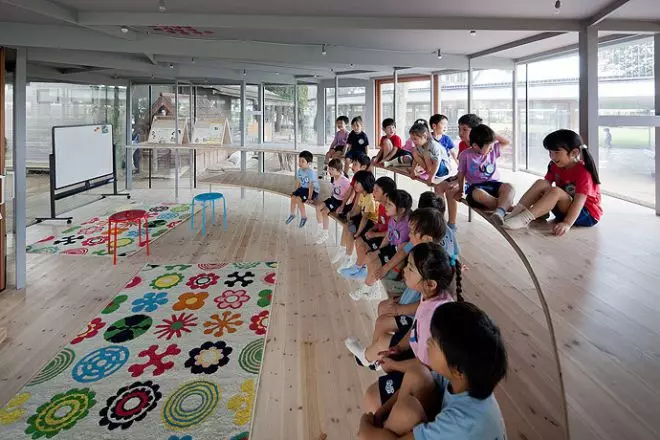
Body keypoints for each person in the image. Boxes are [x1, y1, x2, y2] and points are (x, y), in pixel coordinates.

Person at [358, 301, 508, 440]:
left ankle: (385, 429)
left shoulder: (462, 423)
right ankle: (386, 426)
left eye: (435, 341)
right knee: (418, 373)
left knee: (407, 412)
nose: (428, 341)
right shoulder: (463, 380)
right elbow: (416, 376)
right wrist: (381, 412)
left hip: (455, 429)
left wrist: (365, 429)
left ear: (458, 370)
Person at [357, 244, 458, 428]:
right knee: (386, 354)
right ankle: (371, 359)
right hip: (420, 366)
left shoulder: (434, 318)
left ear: (430, 283)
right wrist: (400, 347)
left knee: (372, 397)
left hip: (429, 381)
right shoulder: (431, 296)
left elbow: (425, 368)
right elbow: (415, 330)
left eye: (410, 267)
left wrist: (395, 364)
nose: (404, 270)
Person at [503, 129, 602, 235]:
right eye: (550, 152)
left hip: (585, 214)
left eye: (556, 152)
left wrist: (567, 223)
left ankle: (524, 219)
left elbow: (579, 202)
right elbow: (542, 187)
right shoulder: (554, 165)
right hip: (564, 208)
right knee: (542, 183)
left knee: (556, 191)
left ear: (574, 153)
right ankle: (516, 213)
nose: (552, 156)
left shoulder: (583, 172)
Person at [348, 207, 446, 301]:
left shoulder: (430, 262)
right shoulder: (412, 244)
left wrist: (399, 307)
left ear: (427, 239)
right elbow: (402, 252)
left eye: (412, 232)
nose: (408, 235)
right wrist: (384, 269)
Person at [448, 124, 514, 225]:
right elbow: (461, 175)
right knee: (478, 193)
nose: (491, 149)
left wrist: (490, 134)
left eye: (492, 146)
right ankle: (507, 207)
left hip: (494, 185)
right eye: (488, 147)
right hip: (476, 188)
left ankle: (499, 212)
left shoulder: (493, 151)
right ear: (475, 145)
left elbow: (506, 142)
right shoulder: (465, 155)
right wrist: (461, 190)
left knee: (509, 187)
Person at [341, 189, 412, 281]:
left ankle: (370, 287)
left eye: (389, 204)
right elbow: (388, 237)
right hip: (392, 248)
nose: (385, 206)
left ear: (401, 210)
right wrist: (379, 251)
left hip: (400, 255)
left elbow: (404, 250)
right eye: (386, 203)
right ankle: (363, 273)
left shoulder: (407, 226)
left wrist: (385, 262)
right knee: (369, 256)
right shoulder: (393, 219)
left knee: (374, 263)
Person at [347, 176, 397, 276]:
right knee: (359, 241)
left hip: (387, 240)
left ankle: (363, 270)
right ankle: (359, 266)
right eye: (373, 189)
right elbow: (379, 222)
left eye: (376, 190)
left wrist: (374, 234)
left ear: (385, 195)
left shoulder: (391, 211)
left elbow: (390, 233)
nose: (373, 192)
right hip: (378, 234)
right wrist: (372, 229)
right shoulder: (381, 206)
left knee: (368, 252)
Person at [333, 170, 378, 270]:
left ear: (365, 183)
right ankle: (342, 249)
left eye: (358, 182)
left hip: (371, 223)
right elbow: (357, 209)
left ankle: (348, 257)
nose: (355, 185)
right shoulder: (362, 194)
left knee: (351, 231)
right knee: (346, 225)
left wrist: (358, 233)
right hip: (363, 218)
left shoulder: (370, 198)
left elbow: (365, 219)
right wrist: (350, 214)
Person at [314, 158, 351, 244]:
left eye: (332, 169)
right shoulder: (334, 177)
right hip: (333, 199)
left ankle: (325, 233)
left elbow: (351, 191)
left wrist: (346, 203)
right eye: (329, 168)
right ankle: (320, 229)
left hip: (339, 202)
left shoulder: (344, 180)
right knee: (318, 207)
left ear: (338, 170)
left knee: (324, 212)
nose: (329, 170)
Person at [407, 121, 454, 185]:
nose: (413, 141)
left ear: (424, 136)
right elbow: (415, 159)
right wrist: (413, 171)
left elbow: (436, 162)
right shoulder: (418, 145)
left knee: (426, 153)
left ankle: (428, 174)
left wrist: (431, 177)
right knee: (415, 151)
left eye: (415, 139)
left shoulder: (433, 145)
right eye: (412, 139)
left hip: (443, 170)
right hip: (432, 167)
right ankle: (426, 172)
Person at [285, 150, 319, 228]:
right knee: (293, 197)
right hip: (304, 189)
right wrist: (295, 191)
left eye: (302, 161)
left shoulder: (310, 173)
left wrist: (310, 198)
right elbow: (298, 181)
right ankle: (292, 214)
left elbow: (311, 186)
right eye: (299, 160)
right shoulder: (300, 170)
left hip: (312, 191)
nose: (300, 163)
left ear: (308, 163)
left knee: (298, 199)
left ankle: (304, 217)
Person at [335, 153, 372, 223]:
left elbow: (359, 196)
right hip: (354, 204)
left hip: (362, 208)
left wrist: (352, 211)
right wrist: (342, 206)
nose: (352, 167)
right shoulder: (356, 177)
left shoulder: (366, 180)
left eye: (355, 164)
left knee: (348, 220)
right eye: (353, 164)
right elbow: (349, 191)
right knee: (339, 212)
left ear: (363, 167)